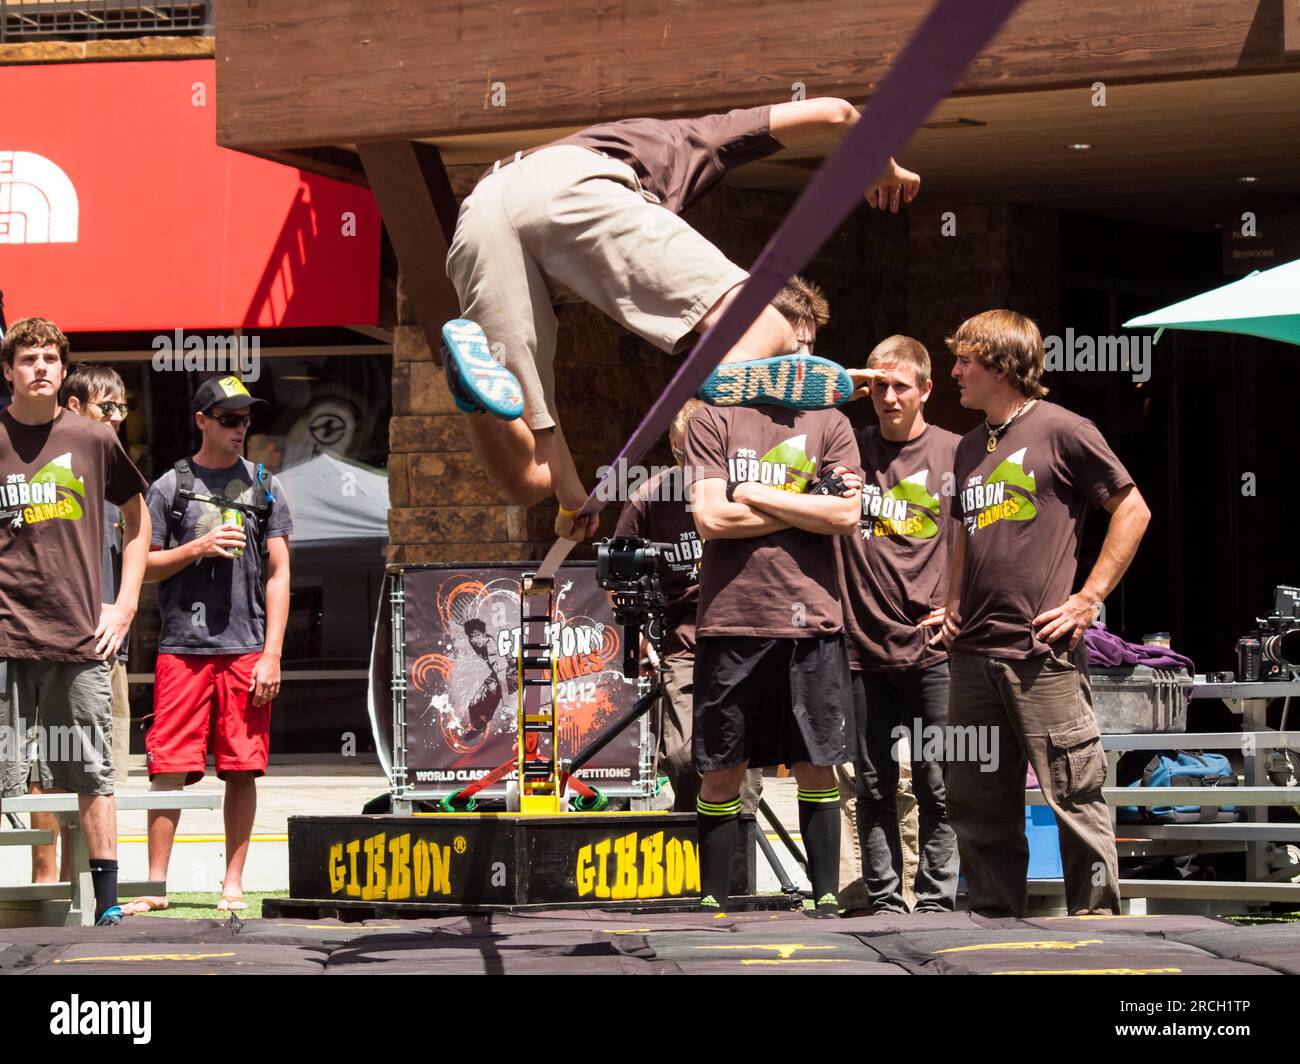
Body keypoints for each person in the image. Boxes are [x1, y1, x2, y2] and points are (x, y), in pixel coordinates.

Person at [444, 98, 919, 540]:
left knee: (530, 477)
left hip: (478, 215)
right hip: (573, 186)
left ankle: (472, 393)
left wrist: (574, 505)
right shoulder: (689, 138)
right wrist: (887, 169)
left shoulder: (591, 148)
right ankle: (728, 374)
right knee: (769, 324)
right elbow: (837, 112)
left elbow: (547, 435)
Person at [931, 309, 1151, 917]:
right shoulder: (971, 444)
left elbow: (1133, 510)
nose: (955, 372)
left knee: (1072, 794)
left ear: (1002, 365)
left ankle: (1098, 929)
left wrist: (1088, 599)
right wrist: (951, 605)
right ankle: (995, 927)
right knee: (975, 802)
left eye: (965, 360)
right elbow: (963, 532)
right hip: (973, 654)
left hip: (1040, 653)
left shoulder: (1064, 429)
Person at [615, 278, 828, 816]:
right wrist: (639, 636)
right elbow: (620, 568)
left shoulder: (766, 459)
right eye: (690, 454)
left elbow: (835, 518)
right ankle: (693, 863)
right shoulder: (652, 497)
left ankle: (732, 884)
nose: (698, 464)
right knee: (692, 758)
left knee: (744, 768)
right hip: (687, 645)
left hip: (758, 628)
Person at [684, 383, 862, 915]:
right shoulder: (712, 417)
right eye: (791, 339)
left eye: (808, 342)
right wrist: (810, 502)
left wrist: (752, 492)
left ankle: (824, 895)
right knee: (721, 768)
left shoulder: (831, 421)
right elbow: (712, 519)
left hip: (813, 623)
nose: (800, 353)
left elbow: (845, 517)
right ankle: (713, 897)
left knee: (816, 761)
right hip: (731, 620)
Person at [0, 318, 150, 926]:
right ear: (8, 370)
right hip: (6, 638)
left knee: (91, 770)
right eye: (28, 357)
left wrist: (126, 604)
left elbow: (138, 521)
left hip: (81, 636)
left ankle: (108, 903)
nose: (40, 366)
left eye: (50, 358)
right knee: (12, 772)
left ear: (63, 372)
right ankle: (35, 888)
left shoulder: (91, 438)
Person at [124, 376, 292, 915]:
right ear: (202, 421)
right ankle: (154, 884)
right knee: (167, 765)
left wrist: (272, 653)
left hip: (246, 647)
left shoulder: (265, 484)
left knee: (242, 766)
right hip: (182, 645)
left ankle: (233, 882)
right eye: (228, 418)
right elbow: (142, 567)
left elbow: (280, 572)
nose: (240, 428)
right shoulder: (170, 486)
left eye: (245, 419)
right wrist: (197, 546)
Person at [839, 336, 960, 913]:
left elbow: (988, 541)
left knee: (940, 783)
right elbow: (798, 424)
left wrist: (959, 605)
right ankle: (885, 901)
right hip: (862, 647)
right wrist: (844, 384)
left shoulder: (957, 454)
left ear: (926, 390)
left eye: (900, 386)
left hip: (934, 650)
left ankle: (937, 900)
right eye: (877, 386)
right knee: (874, 784)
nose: (887, 397)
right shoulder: (846, 449)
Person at [25, 365, 136, 885]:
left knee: (98, 770)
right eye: (105, 407)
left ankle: (87, 893)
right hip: (44, 640)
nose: (117, 417)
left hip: (105, 644)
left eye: (122, 408)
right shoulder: (45, 474)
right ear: (74, 408)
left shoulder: (112, 475)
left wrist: (124, 606)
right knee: (41, 770)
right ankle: (48, 884)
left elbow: (141, 541)